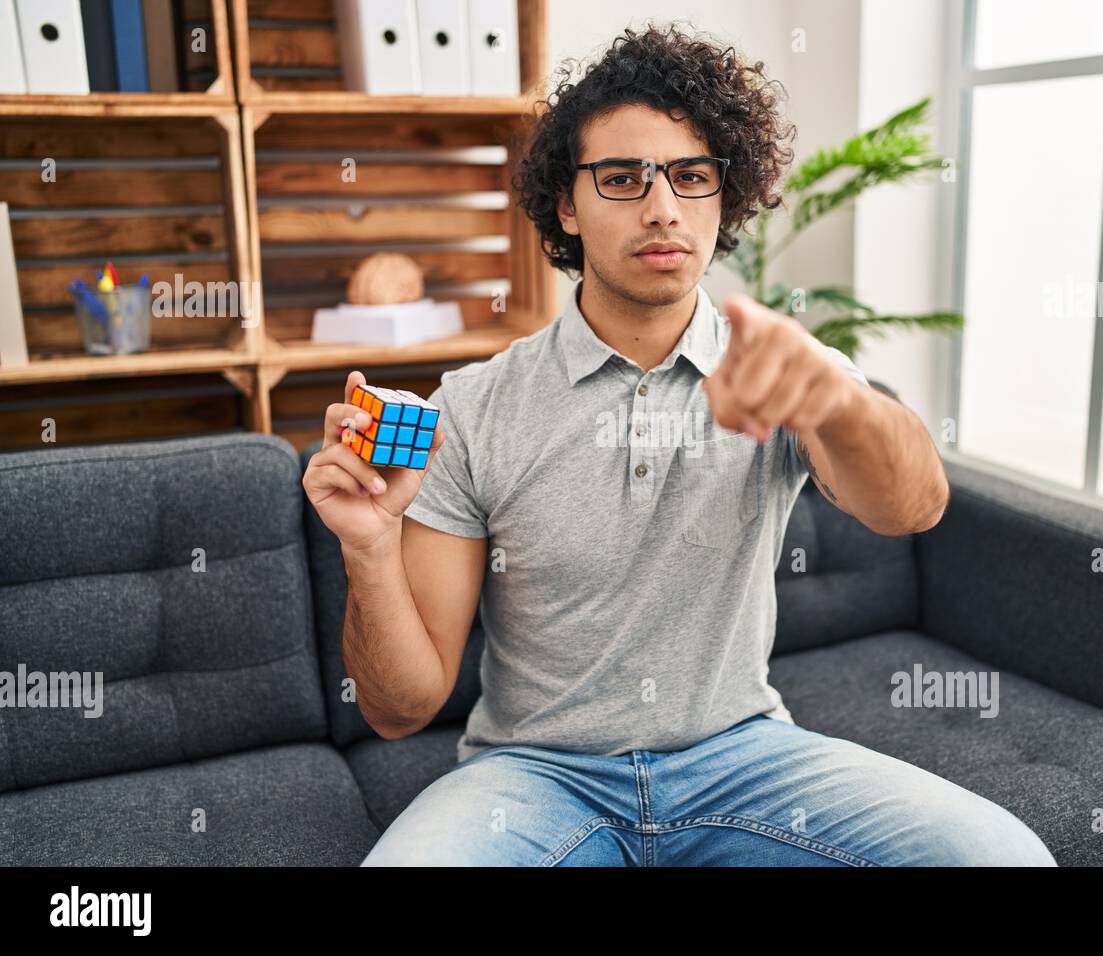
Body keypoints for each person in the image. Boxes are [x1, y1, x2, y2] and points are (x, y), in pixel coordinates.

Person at [303, 23, 1056, 867]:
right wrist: (369, 549)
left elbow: (915, 507)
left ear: (722, 198)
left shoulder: (785, 369)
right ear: (566, 203)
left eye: (691, 177)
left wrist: (838, 397)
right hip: (536, 777)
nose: (662, 207)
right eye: (622, 178)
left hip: (742, 759)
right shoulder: (476, 408)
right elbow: (400, 710)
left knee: (1002, 859)